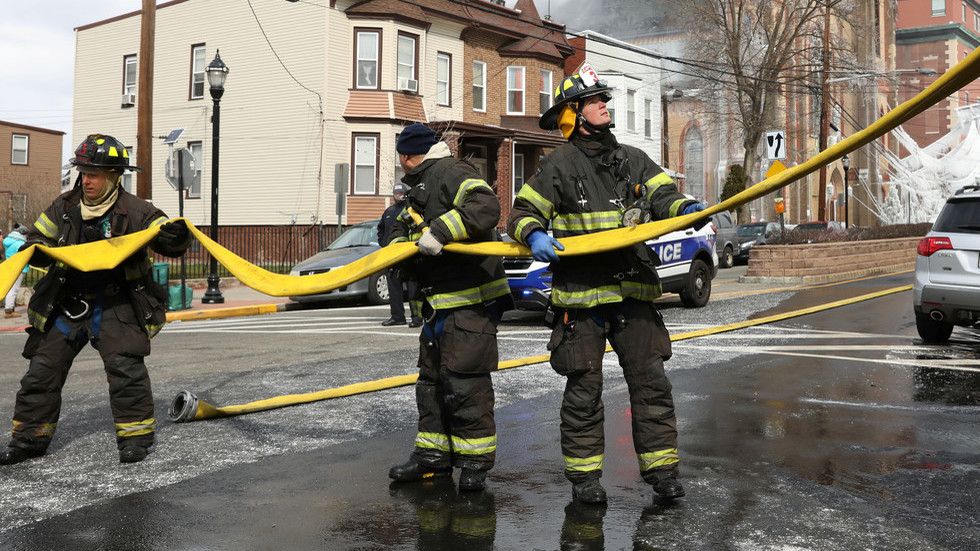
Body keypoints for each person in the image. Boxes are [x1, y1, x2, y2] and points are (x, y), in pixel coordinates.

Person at [507, 67, 707, 504]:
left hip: (632, 290)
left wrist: (687, 208)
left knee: (652, 385)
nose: (605, 104)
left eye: (604, 97)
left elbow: (663, 196)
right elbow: (521, 213)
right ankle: (584, 481)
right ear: (573, 114)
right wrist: (534, 234)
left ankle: (663, 473)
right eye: (594, 99)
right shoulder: (557, 166)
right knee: (583, 392)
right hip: (581, 298)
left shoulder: (632, 159)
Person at [0, 134, 191, 466]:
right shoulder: (63, 207)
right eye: (84, 172)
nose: (86, 180)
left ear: (114, 176)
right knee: (41, 372)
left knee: (125, 370)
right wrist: (29, 247)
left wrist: (176, 236)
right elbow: (38, 240)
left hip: (117, 304)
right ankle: (28, 439)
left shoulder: (138, 210)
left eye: (95, 173)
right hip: (67, 301)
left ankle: (135, 439)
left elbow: (168, 240)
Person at [386, 123, 512, 492]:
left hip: (469, 303)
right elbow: (403, 233)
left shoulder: (450, 171)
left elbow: (485, 205)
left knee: (465, 384)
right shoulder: (419, 189)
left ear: (408, 156)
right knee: (432, 385)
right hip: (438, 309)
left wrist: (440, 232)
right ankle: (433, 457)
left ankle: (474, 463)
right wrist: (399, 249)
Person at [377, 183, 422, 327]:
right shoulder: (388, 211)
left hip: (408, 255)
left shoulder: (410, 210)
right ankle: (397, 317)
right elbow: (381, 229)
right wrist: (383, 243)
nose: (398, 196)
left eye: (401, 193)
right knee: (393, 286)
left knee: (413, 288)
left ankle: (416, 317)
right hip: (391, 256)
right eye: (396, 193)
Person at [3, 224, 28, 318]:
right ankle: (9, 311)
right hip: (18, 268)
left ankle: (10, 308)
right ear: (23, 234)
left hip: (10, 266)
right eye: (26, 234)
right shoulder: (20, 244)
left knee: (10, 288)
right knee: (14, 289)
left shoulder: (9, 241)